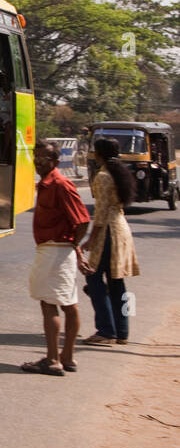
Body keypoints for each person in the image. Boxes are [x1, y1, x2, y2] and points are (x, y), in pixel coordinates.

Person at [23, 141, 91, 375]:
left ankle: (53, 360)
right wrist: (75, 249)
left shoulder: (60, 184)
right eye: (36, 158)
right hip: (59, 251)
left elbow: (82, 221)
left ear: (55, 161)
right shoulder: (46, 184)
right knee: (69, 305)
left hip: (55, 250)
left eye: (43, 160)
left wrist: (74, 246)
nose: (38, 163)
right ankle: (67, 358)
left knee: (49, 304)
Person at [81, 138, 139, 345]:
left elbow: (102, 212)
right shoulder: (119, 173)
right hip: (121, 227)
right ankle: (121, 331)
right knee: (116, 281)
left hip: (109, 231)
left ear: (99, 154)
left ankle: (106, 330)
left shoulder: (103, 176)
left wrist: (90, 239)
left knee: (94, 278)